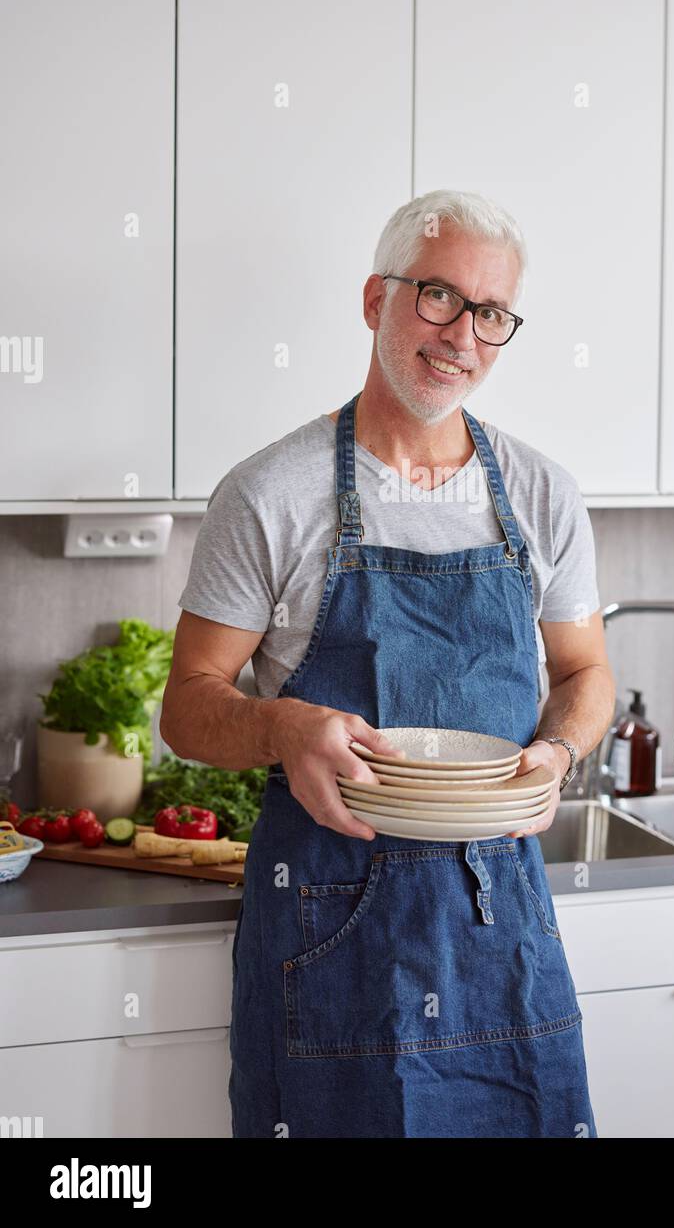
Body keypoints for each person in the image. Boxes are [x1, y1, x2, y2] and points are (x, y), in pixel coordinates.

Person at [160, 188, 616, 1138]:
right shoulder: (268, 494)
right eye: (437, 296)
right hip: (326, 922)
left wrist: (560, 754)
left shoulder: (541, 494)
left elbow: (585, 676)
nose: (462, 336)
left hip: (501, 921)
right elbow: (189, 707)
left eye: (490, 313)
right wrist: (281, 725)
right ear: (376, 300)